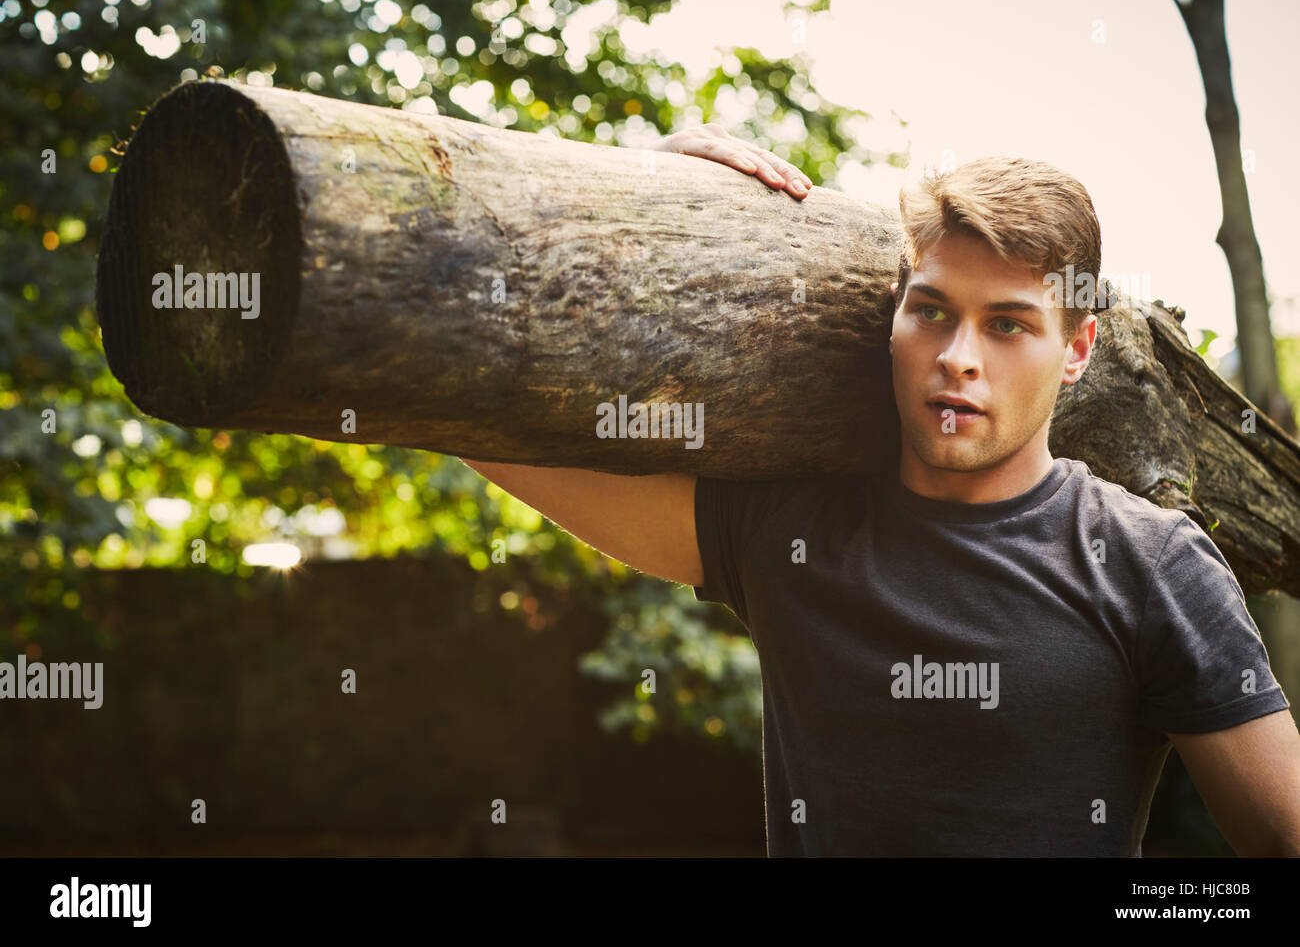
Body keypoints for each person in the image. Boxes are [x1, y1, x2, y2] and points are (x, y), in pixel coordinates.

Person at [462, 125, 1300, 857]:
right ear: (894, 316)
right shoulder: (787, 532)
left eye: (1007, 324)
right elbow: (474, 420)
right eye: (931, 311)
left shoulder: (1151, 564)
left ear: (1076, 350)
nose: (958, 358)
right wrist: (649, 189)